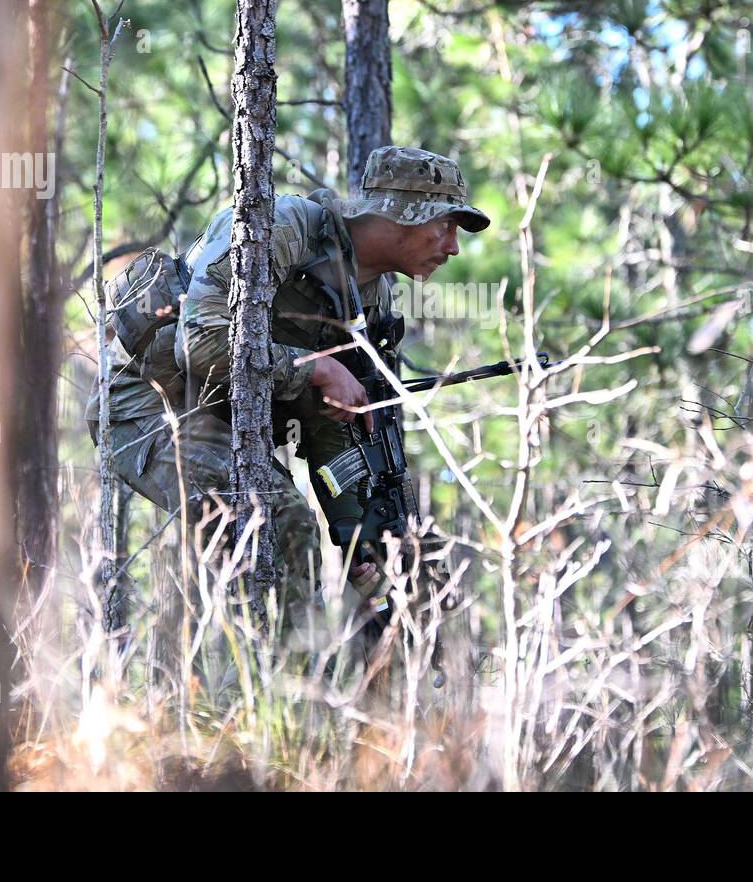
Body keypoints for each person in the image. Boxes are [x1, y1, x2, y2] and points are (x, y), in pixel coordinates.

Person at [87, 145, 490, 607]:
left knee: (304, 538)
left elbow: (334, 423)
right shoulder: (285, 227)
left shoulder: (370, 301)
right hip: (143, 403)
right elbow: (197, 345)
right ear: (403, 212)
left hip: (219, 419)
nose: (453, 246)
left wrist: (358, 530)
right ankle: (270, 677)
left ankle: (287, 670)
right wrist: (317, 368)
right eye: (445, 225)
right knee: (275, 520)